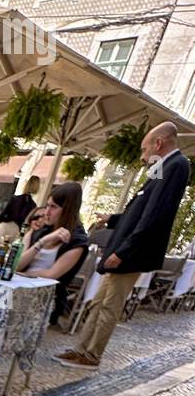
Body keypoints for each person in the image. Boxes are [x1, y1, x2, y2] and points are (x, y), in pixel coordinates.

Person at [55, 122, 191, 368]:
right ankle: (81, 348)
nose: (143, 155)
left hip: (132, 251)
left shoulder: (177, 165)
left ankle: (91, 355)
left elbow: (155, 214)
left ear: (158, 144)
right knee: (99, 302)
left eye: (144, 148)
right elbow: (141, 205)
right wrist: (114, 219)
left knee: (109, 304)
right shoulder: (163, 166)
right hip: (125, 245)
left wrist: (124, 251)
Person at [14, 182, 89, 325]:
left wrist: (22, 275)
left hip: (45, 297)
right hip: (19, 288)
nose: (46, 212)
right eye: (47, 205)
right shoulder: (41, 231)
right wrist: (42, 241)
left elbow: (51, 275)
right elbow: (17, 265)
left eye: (53, 207)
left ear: (67, 210)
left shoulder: (77, 241)